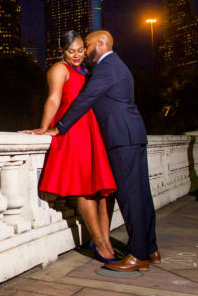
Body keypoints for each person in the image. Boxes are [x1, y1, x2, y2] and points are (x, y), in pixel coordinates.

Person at [51, 30, 159, 272]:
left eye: (87, 46)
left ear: (100, 44)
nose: (84, 51)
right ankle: (151, 249)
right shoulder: (116, 65)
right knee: (142, 195)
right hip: (132, 134)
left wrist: (59, 128)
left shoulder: (107, 66)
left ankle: (139, 255)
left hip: (121, 137)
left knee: (131, 198)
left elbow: (86, 98)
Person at [22, 30, 117, 262]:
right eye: (70, 51)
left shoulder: (87, 70)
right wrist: (44, 127)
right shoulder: (59, 69)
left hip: (92, 129)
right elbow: (54, 99)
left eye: (80, 50)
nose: (76, 55)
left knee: (104, 190)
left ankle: (106, 240)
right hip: (73, 131)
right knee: (85, 188)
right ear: (62, 51)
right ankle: (99, 242)